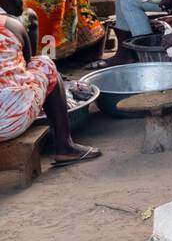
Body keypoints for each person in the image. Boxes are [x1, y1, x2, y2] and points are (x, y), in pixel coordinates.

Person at [0, 13, 100, 165]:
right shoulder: (10, 25)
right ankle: (65, 147)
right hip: (8, 124)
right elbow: (28, 63)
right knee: (45, 63)